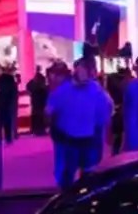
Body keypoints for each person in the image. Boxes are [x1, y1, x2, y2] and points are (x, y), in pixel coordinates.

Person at [46, 56, 113, 189]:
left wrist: (103, 131)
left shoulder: (96, 90)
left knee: (89, 176)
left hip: (89, 139)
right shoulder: (64, 90)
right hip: (69, 139)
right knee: (68, 177)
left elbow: (105, 112)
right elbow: (50, 111)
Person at [0, 70, 19, 144]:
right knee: (8, 122)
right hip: (9, 105)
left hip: (0, 105)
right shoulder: (12, 84)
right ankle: (9, 138)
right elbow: (14, 95)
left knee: (0, 122)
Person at [27, 67, 49, 136]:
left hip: (35, 101)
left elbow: (28, 87)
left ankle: (35, 130)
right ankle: (40, 130)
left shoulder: (33, 83)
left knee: (36, 116)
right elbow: (45, 90)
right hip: (40, 102)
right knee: (40, 116)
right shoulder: (41, 83)